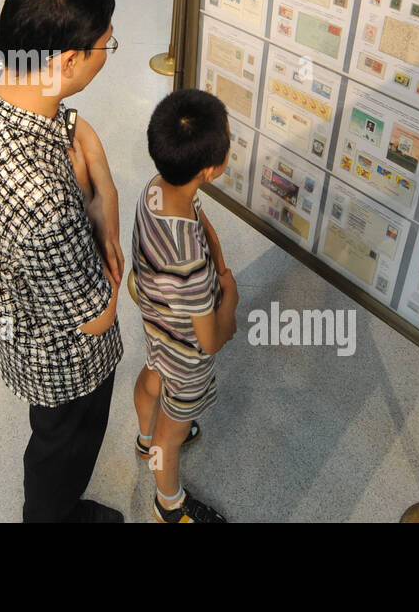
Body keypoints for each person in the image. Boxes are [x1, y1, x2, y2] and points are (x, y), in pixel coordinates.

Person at [0, 0, 125, 523]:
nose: (110, 48)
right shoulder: (44, 205)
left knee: (50, 433)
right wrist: (107, 211)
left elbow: (72, 124)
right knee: (64, 440)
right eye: (107, 42)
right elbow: (95, 315)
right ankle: (51, 516)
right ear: (70, 59)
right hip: (58, 354)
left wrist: (91, 154)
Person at [129, 89, 238, 523]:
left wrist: (220, 255)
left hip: (157, 324)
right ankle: (168, 504)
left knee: (152, 375)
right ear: (209, 170)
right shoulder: (189, 262)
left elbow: (196, 212)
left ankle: (142, 438)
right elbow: (210, 340)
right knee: (169, 436)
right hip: (187, 351)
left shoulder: (156, 189)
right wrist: (230, 298)